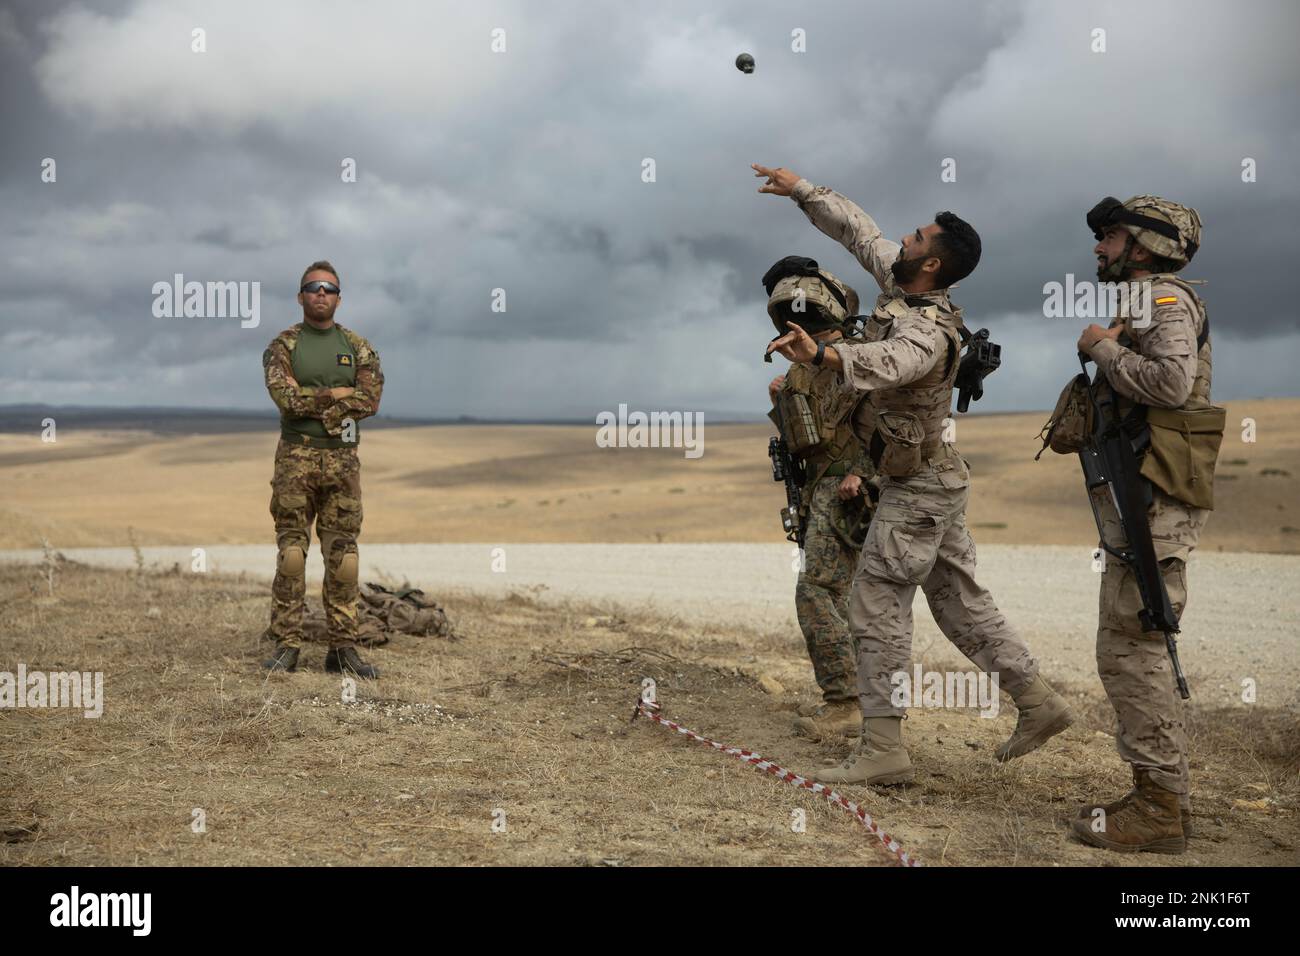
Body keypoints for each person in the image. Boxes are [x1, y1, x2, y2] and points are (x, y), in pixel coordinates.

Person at [754, 163, 1073, 785]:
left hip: (918, 488)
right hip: (930, 479)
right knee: (958, 603)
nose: (903, 240)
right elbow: (858, 231)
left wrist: (825, 353)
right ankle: (1039, 704)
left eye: (917, 239)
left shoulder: (926, 329)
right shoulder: (898, 285)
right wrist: (802, 191)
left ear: (932, 265)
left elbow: (891, 362)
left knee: (875, 601)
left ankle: (882, 748)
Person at [1070, 195, 1213, 854]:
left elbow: (1172, 386)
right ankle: (1161, 796)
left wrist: (1103, 351)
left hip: (1153, 503)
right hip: (1141, 498)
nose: (1099, 248)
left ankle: (1159, 806)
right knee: (1130, 643)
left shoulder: (1162, 301)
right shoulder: (1144, 303)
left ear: (1147, 245)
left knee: (1133, 648)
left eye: (1111, 237)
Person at [762, 260, 874, 739]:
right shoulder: (800, 368)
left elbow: (892, 417)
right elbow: (806, 438)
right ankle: (863, 701)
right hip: (819, 489)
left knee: (817, 591)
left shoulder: (858, 355)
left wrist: (861, 473)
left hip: (848, 489)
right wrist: (782, 398)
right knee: (839, 594)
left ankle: (846, 702)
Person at [262, 261, 384, 679]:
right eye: (313, 287)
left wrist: (316, 401)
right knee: (292, 554)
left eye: (329, 289)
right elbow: (285, 399)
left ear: (338, 298)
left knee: (344, 558)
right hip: (296, 459)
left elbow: (370, 400)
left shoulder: (358, 346)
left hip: (343, 463)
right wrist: (337, 394)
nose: (321, 294)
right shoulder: (284, 346)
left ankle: (342, 649)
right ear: (300, 296)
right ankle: (286, 645)